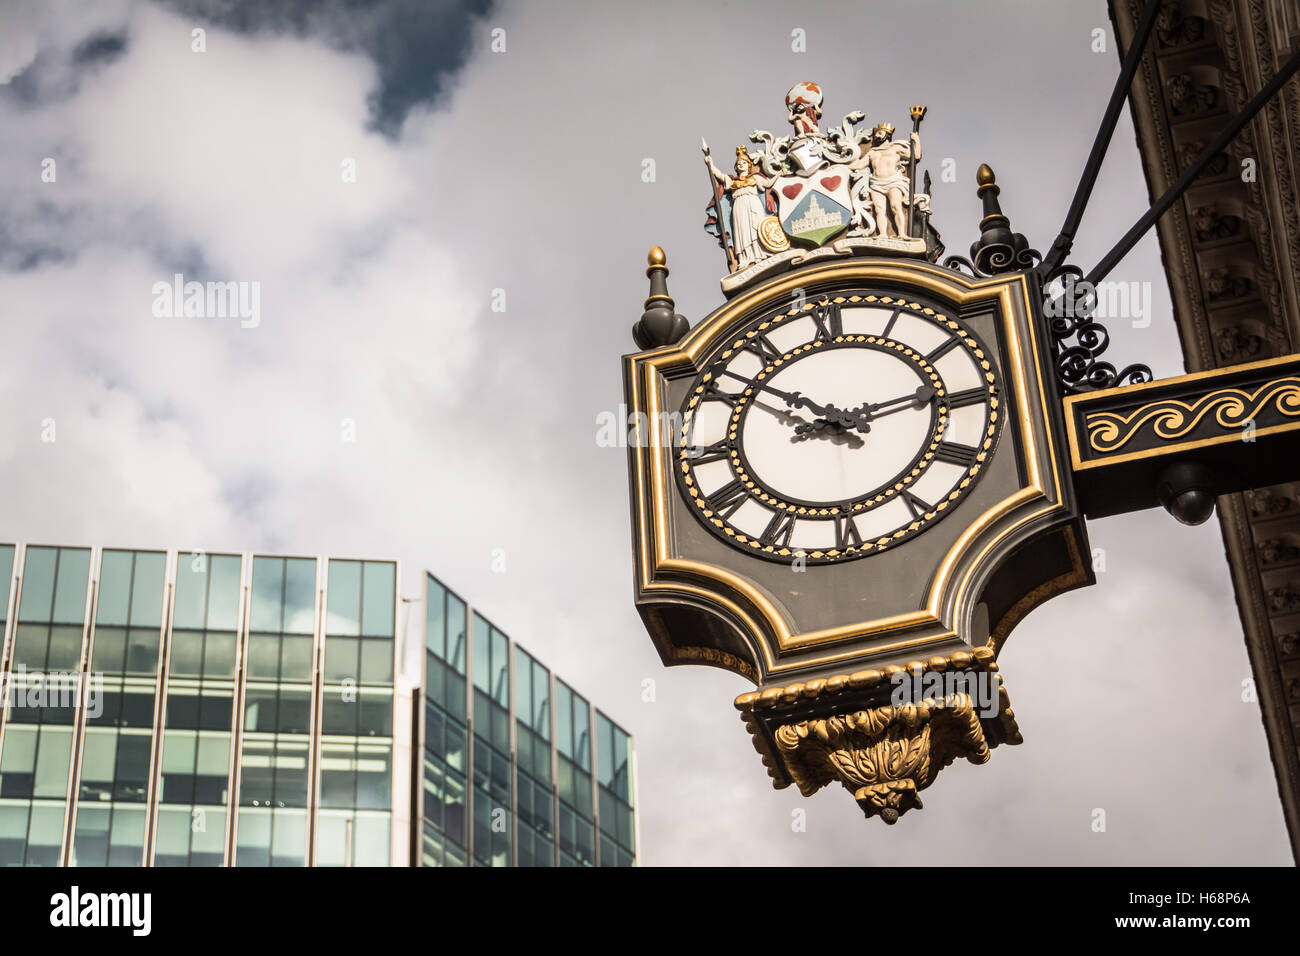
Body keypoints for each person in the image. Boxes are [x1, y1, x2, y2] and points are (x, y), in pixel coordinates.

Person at [703, 143, 773, 270]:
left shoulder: (755, 178)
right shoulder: (733, 181)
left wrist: (781, 173)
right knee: (742, 230)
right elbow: (718, 175)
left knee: (756, 228)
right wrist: (710, 162)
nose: (741, 165)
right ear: (736, 167)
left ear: (749, 165)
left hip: (753, 204)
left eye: (744, 162)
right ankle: (745, 258)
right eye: (739, 163)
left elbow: (769, 183)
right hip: (739, 206)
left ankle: (759, 254)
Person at [856, 122, 921, 239]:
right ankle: (883, 234)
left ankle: (901, 233)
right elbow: (859, 165)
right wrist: (838, 164)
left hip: (893, 182)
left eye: (880, 133)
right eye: (876, 134)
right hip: (876, 183)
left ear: (888, 134)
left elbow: (915, 156)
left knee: (895, 206)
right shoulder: (872, 152)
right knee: (879, 210)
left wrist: (916, 140)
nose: (877, 136)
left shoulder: (895, 148)